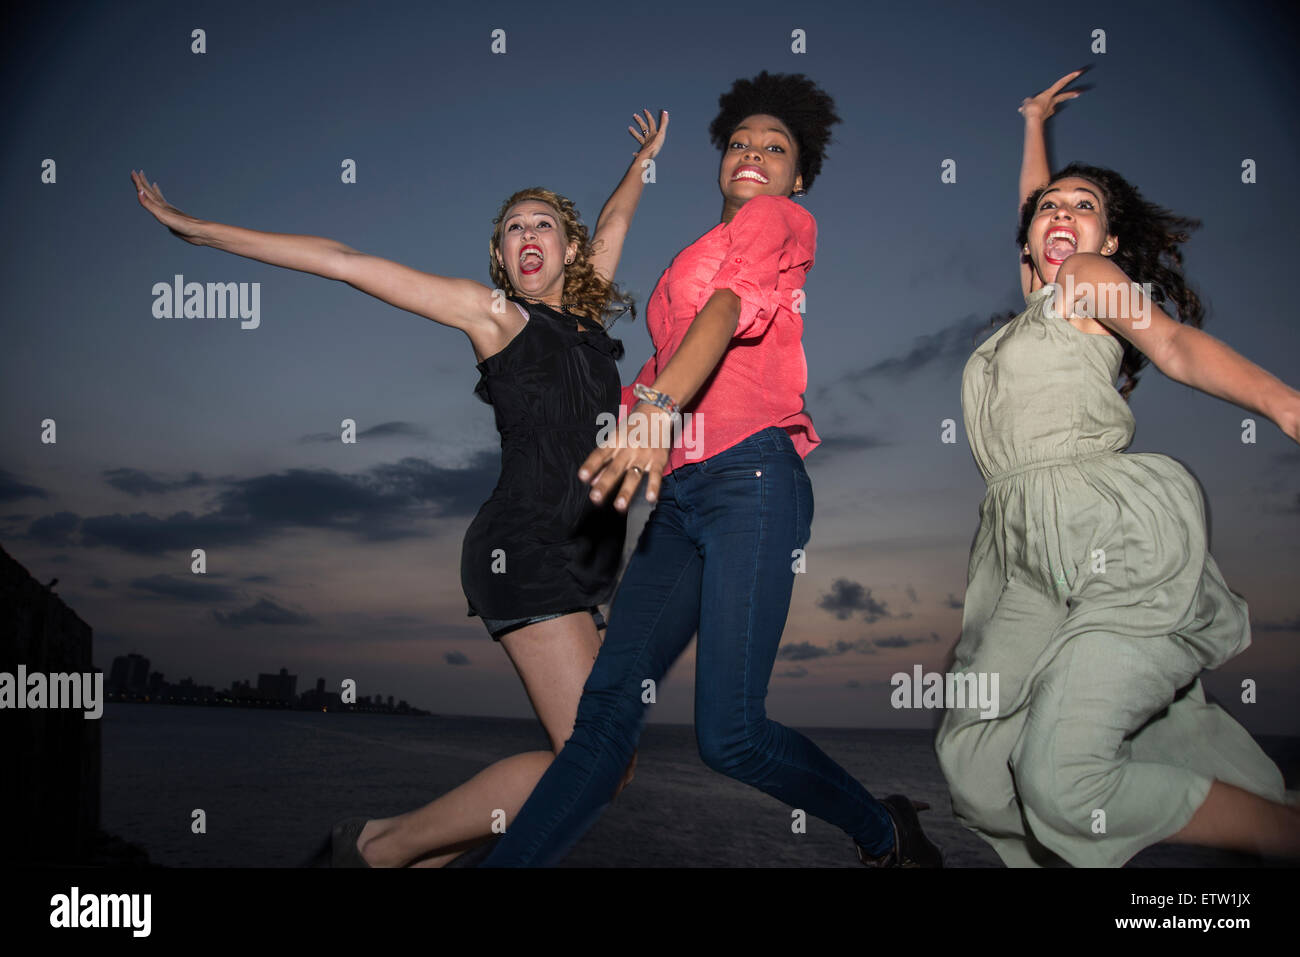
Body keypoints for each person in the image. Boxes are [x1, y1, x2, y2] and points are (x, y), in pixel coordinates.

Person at [129, 109, 665, 866]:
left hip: (582, 569)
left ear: (568, 247)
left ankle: (414, 859)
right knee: (593, 758)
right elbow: (345, 260)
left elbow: (612, 220)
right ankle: (377, 846)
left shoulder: (584, 316)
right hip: (524, 547)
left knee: (612, 766)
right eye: (512, 228)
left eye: (542, 222)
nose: (528, 234)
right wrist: (200, 231)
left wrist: (643, 162)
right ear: (503, 259)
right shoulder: (493, 317)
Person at [481, 71, 942, 868]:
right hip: (679, 502)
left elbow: (727, 313)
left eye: (775, 146)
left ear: (798, 175)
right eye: (738, 143)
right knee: (599, 729)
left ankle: (886, 831)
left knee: (729, 736)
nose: (752, 154)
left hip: (752, 481)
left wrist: (657, 404)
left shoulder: (779, 220)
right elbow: (655, 355)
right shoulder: (686, 258)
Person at [934, 71, 1300, 867]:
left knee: (1060, 779)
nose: (1060, 214)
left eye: (1084, 207)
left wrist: (1284, 403)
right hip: (1020, 550)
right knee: (975, 765)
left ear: (1108, 245)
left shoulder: (1084, 282)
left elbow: (1170, 345)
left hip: (1107, 524)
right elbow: (1035, 212)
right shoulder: (1038, 291)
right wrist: (1033, 121)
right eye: (1049, 208)